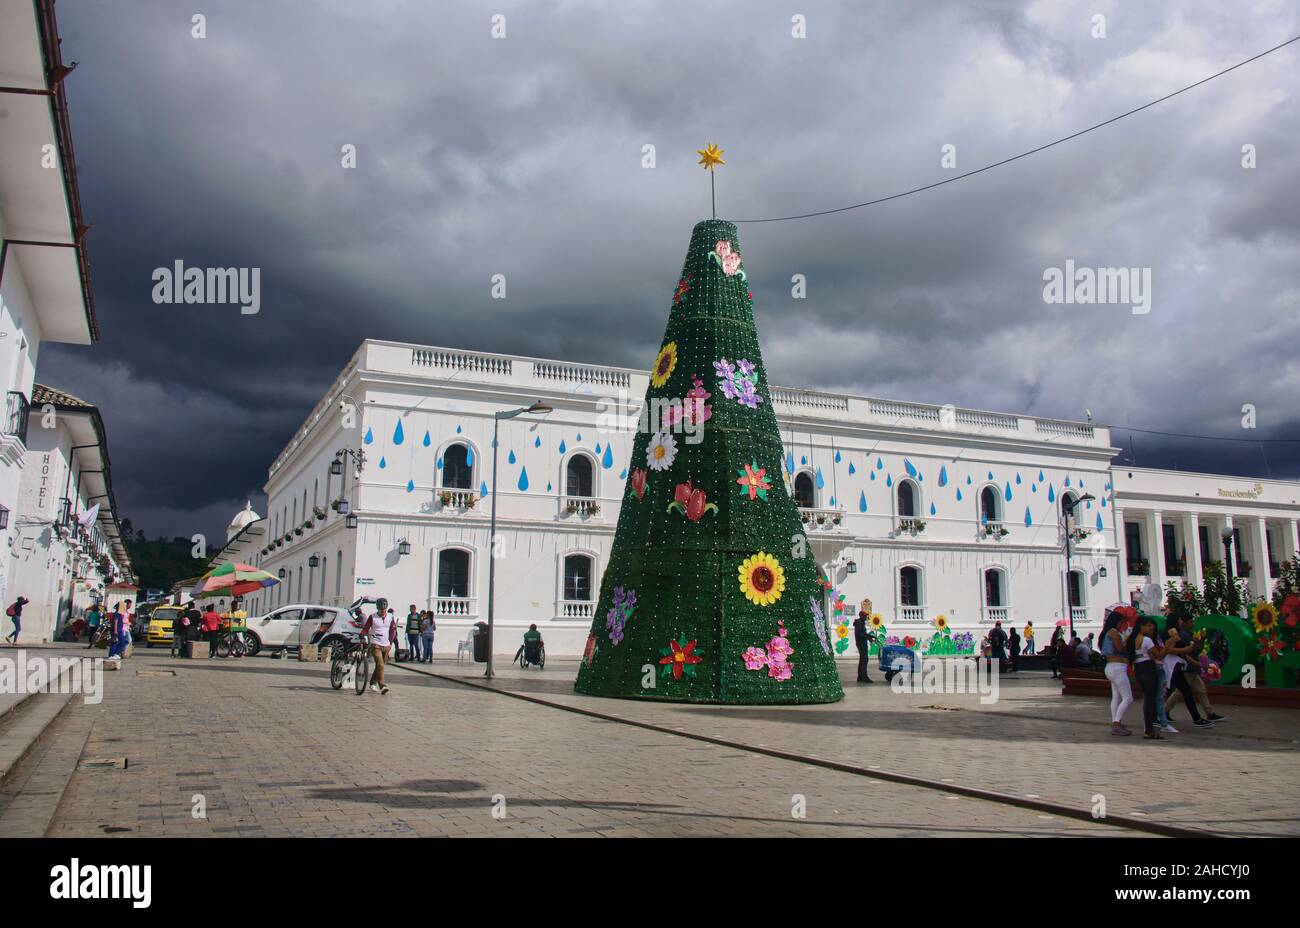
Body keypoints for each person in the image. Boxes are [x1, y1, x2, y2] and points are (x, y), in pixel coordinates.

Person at [1165, 611, 1225, 723]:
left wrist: (1200, 641)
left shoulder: (1185, 634)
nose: (1192, 623)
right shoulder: (1180, 635)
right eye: (1190, 621)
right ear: (1183, 622)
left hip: (1191, 668)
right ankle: (1165, 711)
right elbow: (1187, 652)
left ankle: (1209, 713)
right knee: (1181, 692)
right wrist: (1194, 658)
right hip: (1186, 668)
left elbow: (1194, 650)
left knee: (1200, 690)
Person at [1160, 614, 1211, 729]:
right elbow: (1169, 650)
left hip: (1178, 665)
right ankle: (1196, 718)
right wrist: (1185, 649)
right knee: (1178, 692)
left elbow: (1183, 654)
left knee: (1185, 691)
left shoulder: (1177, 633)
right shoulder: (1169, 633)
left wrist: (1195, 662)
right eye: (1179, 619)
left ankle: (1196, 718)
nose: (1180, 622)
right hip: (1171, 666)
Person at [1128, 614, 1166, 739]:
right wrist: (1169, 645)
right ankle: (1149, 730)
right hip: (1148, 669)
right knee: (1150, 700)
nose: (1152, 629)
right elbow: (1159, 656)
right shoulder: (1147, 640)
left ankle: (1148, 728)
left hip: (1139, 669)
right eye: (1149, 626)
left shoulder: (1132, 639)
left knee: (1147, 699)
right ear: (1141, 626)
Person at [1100, 605, 1134, 736]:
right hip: (1117, 667)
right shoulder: (1114, 632)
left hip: (1111, 667)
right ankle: (1117, 723)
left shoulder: (1107, 632)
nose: (1123, 625)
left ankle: (1115, 721)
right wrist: (1127, 639)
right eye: (1122, 623)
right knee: (1128, 698)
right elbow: (1120, 648)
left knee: (1116, 697)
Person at [362, 597, 396, 694]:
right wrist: (362, 635)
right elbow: (366, 628)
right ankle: (382, 685)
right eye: (381, 610)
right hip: (375, 644)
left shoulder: (390, 617)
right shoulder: (372, 617)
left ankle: (372, 683)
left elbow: (392, 630)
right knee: (380, 664)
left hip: (386, 645)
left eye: (384, 610)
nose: (382, 612)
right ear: (377, 608)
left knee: (379, 666)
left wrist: (390, 642)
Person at [853, 604, 874, 683]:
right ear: (861, 616)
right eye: (865, 616)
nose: (866, 617)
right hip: (861, 643)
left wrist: (870, 636)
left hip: (862, 643)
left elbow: (863, 633)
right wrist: (868, 637)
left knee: (862, 659)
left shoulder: (861, 623)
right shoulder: (859, 623)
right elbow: (860, 634)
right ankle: (864, 676)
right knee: (864, 659)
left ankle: (860, 676)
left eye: (866, 616)